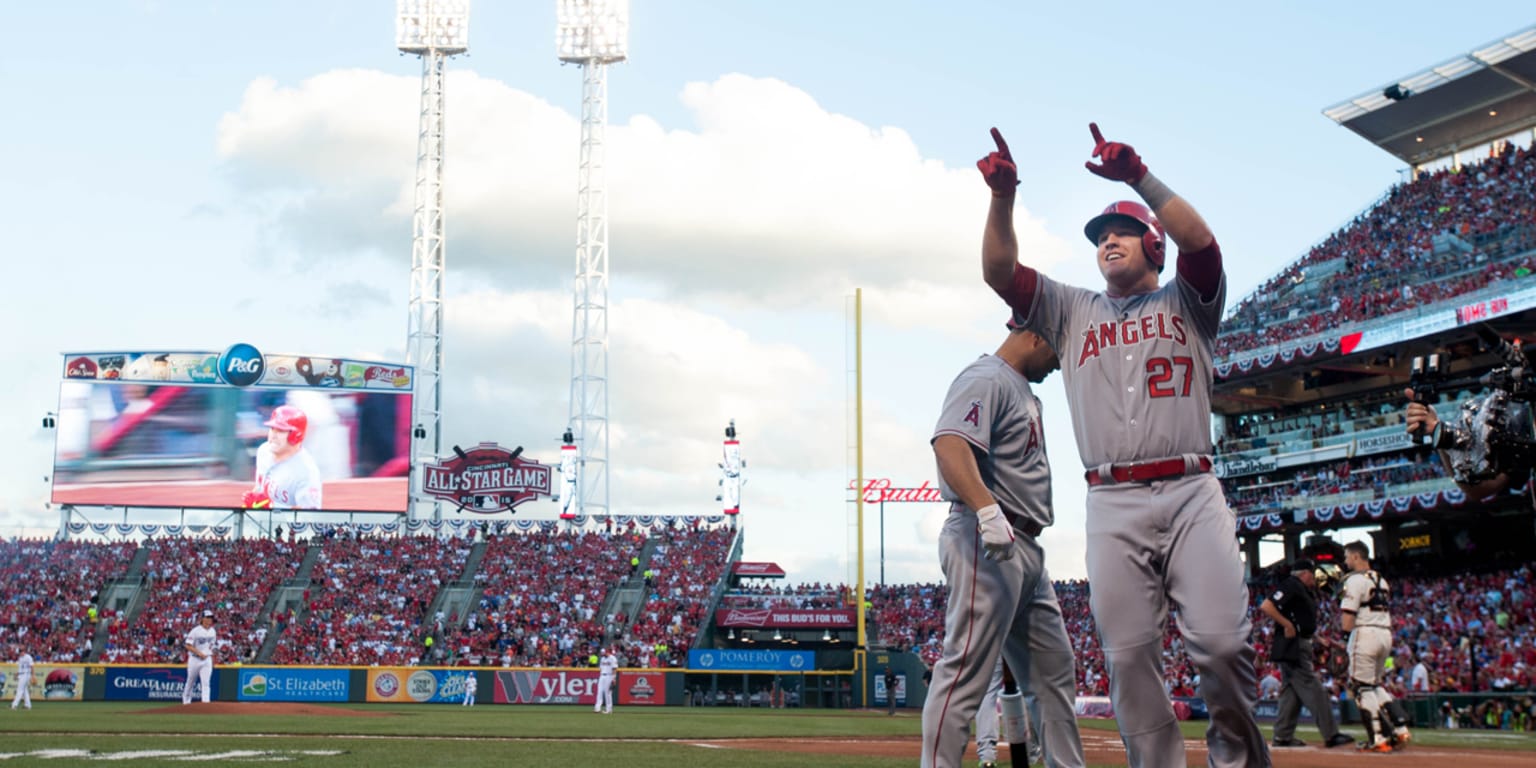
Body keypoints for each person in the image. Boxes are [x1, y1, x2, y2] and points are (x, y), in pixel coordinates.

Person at [977, 123, 1269, 767]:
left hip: (1192, 490)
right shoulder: (1070, 308)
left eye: (1120, 230)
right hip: (1111, 501)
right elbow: (1000, 271)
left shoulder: (1191, 301)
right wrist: (1003, 198)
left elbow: (1204, 242)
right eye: (1098, 236)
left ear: (1153, 244)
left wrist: (1139, 178)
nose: (1106, 239)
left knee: (1222, 647)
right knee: (1130, 661)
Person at [920, 320, 1086, 768]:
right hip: (988, 536)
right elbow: (950, 444)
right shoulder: (986, 377)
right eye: (1056, 349)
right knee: (964, 673)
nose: (1058, 362)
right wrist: (988, 510)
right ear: (1034, 335)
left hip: (1026, 547)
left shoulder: (1020, 389)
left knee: (1054, 675)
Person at [1258, 559, 1354, 749]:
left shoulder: (1300, 589)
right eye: (1313, 574)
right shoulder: (1292, 584)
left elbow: (1300, 620)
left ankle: (1282, 736)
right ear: (1305, 573)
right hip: (1292, 646)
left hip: (1298, 643)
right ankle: (1331, 734)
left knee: (1291, 693)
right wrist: (1287, 625)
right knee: (1314, 687)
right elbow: (1267, 606)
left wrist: (1318, 638)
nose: (1316, 578)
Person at [1339, 542, 1413, 752]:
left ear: (1355, 557)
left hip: (1365, 634)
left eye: (1347, 557)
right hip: (1384, 634)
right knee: (1376, 685)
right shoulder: (1381, 580)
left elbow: (1348, 616)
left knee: (1361, 687)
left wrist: (1344, 638)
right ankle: (1400, 729)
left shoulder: (1354, 580)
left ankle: (1377, 738)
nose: (1345, 561)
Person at [243, 404, 322, 510]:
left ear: (296, 435)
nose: (273, 435)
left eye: (280, 431)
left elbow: (308, 518)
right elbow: (260, 488)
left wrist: (272, 507)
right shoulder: (264, 451)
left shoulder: (306, 473)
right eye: (272, 429)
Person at [182, 610, 217, 705]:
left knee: (206, 683)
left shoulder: (213, 631)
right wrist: (199, 653)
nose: (210, 619)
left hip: (207, 660)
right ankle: (186, 702)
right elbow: (187, 645)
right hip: (195, 659)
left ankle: (205, 703)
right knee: (190, 681)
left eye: (211, 618)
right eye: (208, 617)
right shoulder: (195, 631)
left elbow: (212, 645)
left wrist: (210, 653)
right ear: (202, 619)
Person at [594, 646, 618, 714]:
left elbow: (614, 669)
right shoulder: (602, 659)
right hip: (602, 675)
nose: (603, 653)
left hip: (609, 676)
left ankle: (609, 709)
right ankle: (597, 708)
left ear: (608, 652)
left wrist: (614, 678)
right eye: (603, 652)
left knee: (607, 693)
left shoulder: (613, 658)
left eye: (604, 652)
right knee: (599, 692)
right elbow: (601, 668)